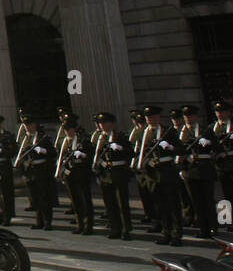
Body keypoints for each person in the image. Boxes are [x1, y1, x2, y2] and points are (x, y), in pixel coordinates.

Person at [139, 106, 183, 246]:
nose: (150, 119)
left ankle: (176, 234)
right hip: (152, 174)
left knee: (173, 205)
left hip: (167, 172)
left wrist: (170, 147)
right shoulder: (143, 133)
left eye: (153, 117)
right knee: (160, 205)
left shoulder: (168, 132)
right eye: (148, 117)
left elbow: (181, 149)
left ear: (158, 117)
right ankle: (166, 232)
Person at [91, 112, 133, 240]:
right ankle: (115, 228)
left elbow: (131, 153)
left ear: (112, 124)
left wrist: (120, 148)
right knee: (110, 203)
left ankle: (126, 229)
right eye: (100, 123)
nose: (102, 125)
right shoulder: (99, 138)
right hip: (105, 173)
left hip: (118, 172)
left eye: (105, 123)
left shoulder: (120, 137)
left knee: (122, 203)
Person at [179, 104, 216, 239]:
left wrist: (209, 144)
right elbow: (177, 151)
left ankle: (213, 227)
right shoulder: (181, 132)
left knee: (208, 200)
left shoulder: (205, 130)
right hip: (190, 170)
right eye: (186, 116)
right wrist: (182, 168)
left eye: (191, 116)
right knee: (196, 201)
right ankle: (203, 228)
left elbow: (217, 149)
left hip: (205, 169)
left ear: (196, 117)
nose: (188, 118)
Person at [14, 114, 53, 230]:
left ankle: (47, 221)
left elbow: (52, 153)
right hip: (30, 171)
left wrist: (43, 150)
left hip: (41, 169)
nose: (27, 127)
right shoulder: (27, 138)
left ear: (35, 125)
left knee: (44, 196)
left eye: (29, 125)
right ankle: (39, 221)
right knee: (35, 197)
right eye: (25, 125)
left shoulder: (43, 137)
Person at [59, 117, 94, 235]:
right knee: (75, 200)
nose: (67, 132)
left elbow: (91, 155)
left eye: (69, 129)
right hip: (69, 173)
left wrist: (83, 155)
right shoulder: (65, 141)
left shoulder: (83, 140)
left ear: (74, 129)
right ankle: (80, 224)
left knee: (85, 199)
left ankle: (88, 224)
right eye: (65, 130)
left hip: (81, 172)